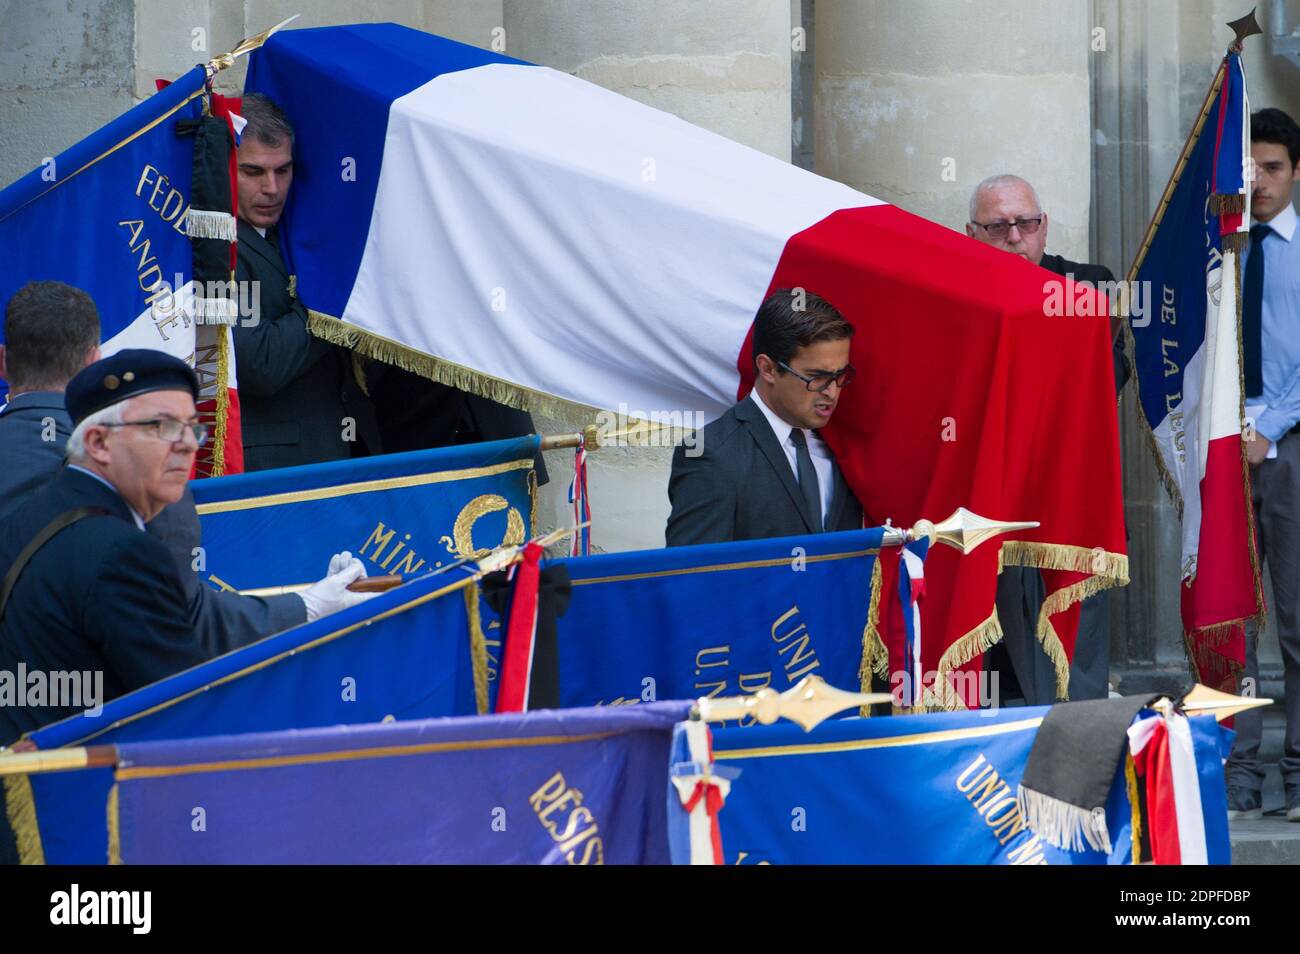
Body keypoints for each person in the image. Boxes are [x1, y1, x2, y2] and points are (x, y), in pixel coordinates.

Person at [0, 349, 378, 746]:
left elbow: (187, 616)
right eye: (161, 426)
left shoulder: (39, 514)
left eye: (192, 428)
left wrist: (310, 605)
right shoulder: (123, 551)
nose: (186, 445)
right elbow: (191, 707)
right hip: (81, 794)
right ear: (98, 442)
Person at [0, 281, 305, 654]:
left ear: (3, 362)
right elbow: (186, 621)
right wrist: (309, 607)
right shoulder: (141, 467)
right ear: (93, 361)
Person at [965, 174, 1125, 704]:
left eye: (1026, 224)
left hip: (1067, 515)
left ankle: (1076, 776)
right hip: (984, 509)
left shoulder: (1086, 287)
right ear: (971, 234)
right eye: (998, 226)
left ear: (1044, 226)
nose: (1015, 237)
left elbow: (1104, 376)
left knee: (1072, 669)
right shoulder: (957, 295)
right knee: (988, 666)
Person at [233, 94, 380, 471]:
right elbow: (260, 363)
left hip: (339, 451)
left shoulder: (294, 230)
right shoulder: (219, 246)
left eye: (283, 171)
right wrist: (336, 295)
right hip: (274, 468)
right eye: (253, 172)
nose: (272, 188)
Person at [1228, 107, 1300, 823]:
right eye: (1249, 171)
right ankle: (1239, 773)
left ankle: (1299, 773)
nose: (1260, 183)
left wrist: (1268, 425)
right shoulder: (1222, 251)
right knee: (1229, 618)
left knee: (1296, 620)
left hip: (1289, 448)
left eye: (1273, 168)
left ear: (1297, 171)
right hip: (1223, 452)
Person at [666, 289, 864, 546]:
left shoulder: (844, 448)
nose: (832, 392)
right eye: (817, 377)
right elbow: (692, 577)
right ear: (768, 368)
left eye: (840, 376)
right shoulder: (711, 455)